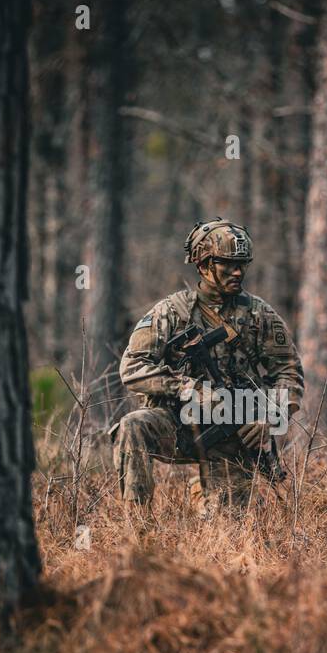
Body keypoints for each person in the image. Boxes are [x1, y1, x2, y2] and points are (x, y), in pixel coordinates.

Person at [112, 219, 304, 516]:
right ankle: (138, 527)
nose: (238, 272)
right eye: (228, 264)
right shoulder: (170, 313)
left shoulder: (260, 315)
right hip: (178, 423)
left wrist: (268, 417)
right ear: (203, 265)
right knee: (132, 425)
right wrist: (188, 388)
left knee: (228, 527)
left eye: (242, 264)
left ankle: (202, 493)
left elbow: (289, 375)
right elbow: (132, 367)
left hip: (232, 432)